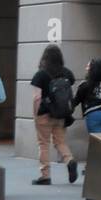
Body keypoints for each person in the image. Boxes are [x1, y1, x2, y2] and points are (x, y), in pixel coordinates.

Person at [30, 44, 78, 186]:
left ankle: (45, 176)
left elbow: (37, 98)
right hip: (62, 114)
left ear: (45, 57)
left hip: (44, 114)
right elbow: (70, 92)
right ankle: (69, 160)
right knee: (60, 142)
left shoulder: (41, 74)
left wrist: (35, 114)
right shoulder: (67, 73)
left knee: (43, 143)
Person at [74, 59, 101, 135]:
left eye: (88, 67)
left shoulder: (85, 84)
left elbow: (76, 100)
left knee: (97, 140)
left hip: (93, 114)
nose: (86, 69)